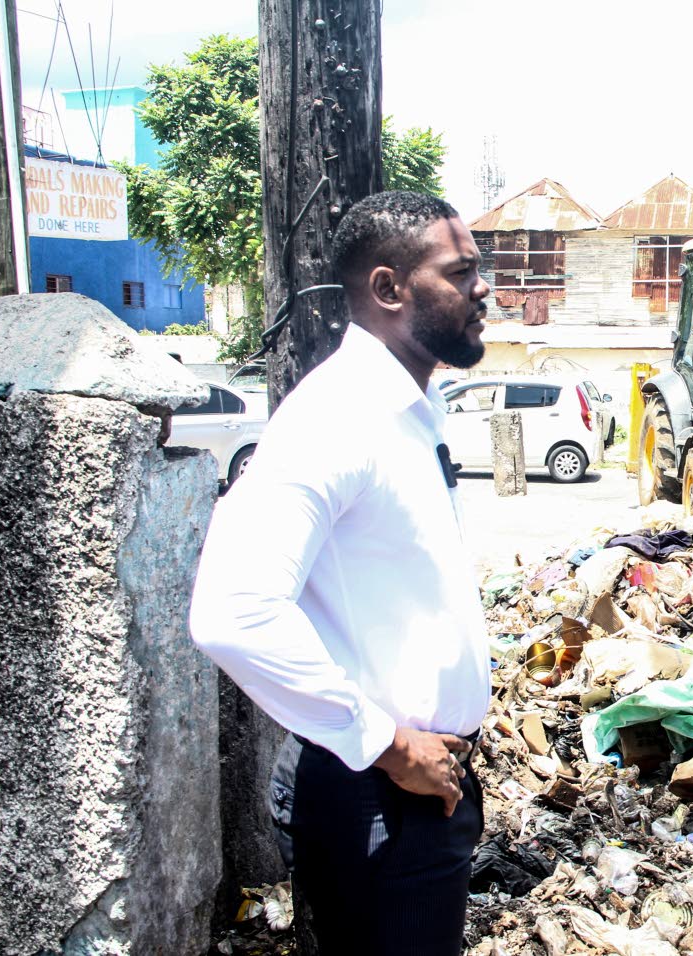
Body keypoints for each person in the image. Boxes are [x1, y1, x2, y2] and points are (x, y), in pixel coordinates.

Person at [189, 191, 493, 956]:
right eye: (460, 273)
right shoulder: (337, 418)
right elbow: (233, 611)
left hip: (414, 787)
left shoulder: (408, 412)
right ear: (390, 289)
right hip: (375, 791)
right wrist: (386, 742)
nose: (482, 290)